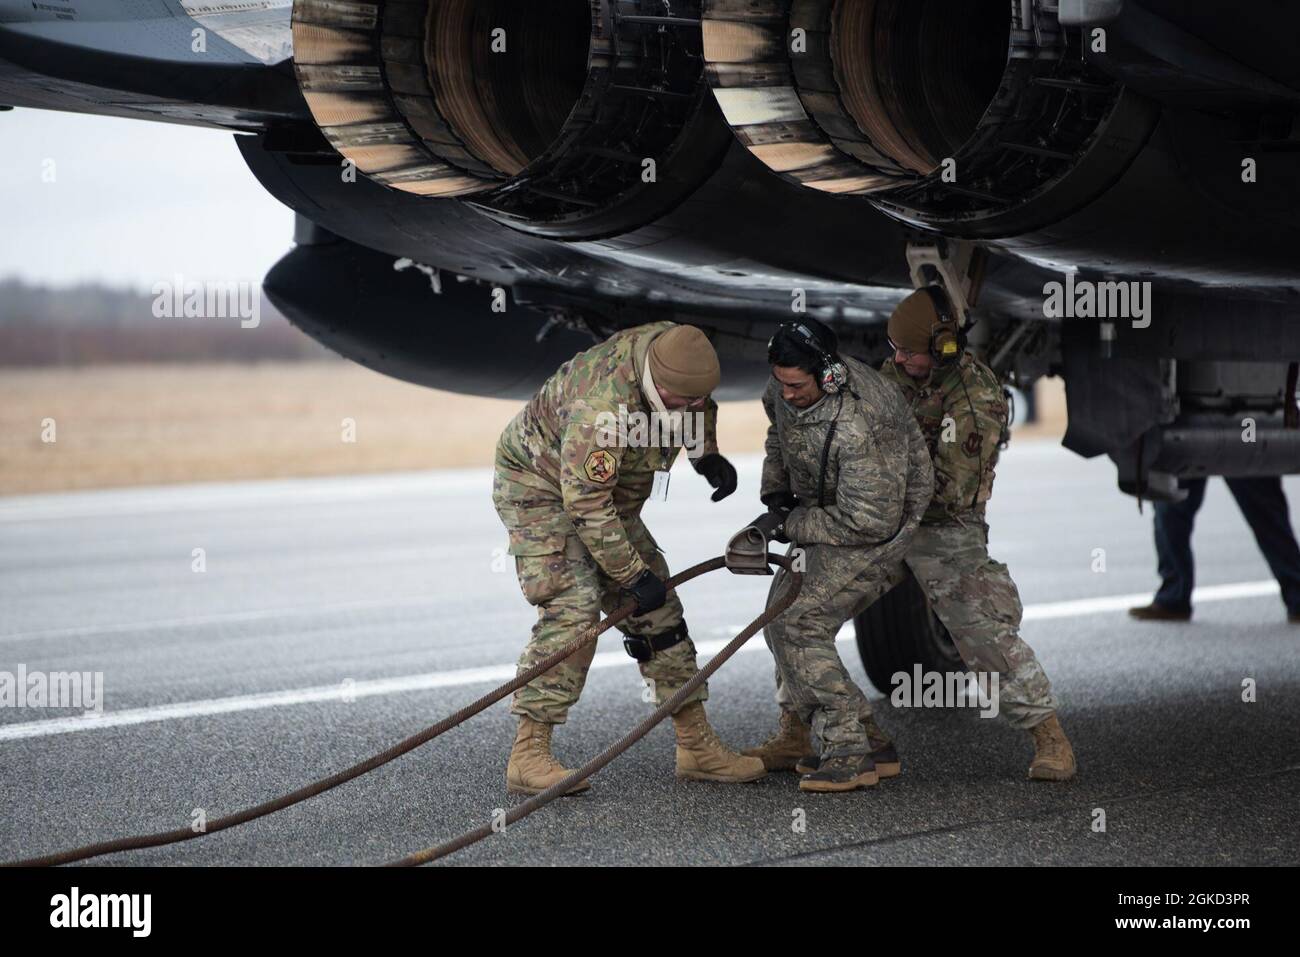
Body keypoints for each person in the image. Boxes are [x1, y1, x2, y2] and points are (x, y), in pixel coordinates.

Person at [492, 321, 765, 795]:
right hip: (542, 488)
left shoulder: (680, 358)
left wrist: (705, 456)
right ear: (655, 386)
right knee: (574, 609)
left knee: (661, 611)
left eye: (695, 402)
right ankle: (528, 754)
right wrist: (631, 575)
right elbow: (585, 505)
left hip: (605, 496)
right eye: (678, 403)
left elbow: (697, 403)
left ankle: (696, 745)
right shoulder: (603, 407)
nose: (690, 409)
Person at [877, 287, 1075, 780]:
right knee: (799, 604)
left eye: (909, 352)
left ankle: (1049, 737)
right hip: (883, 518)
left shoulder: (976, 397)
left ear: (944, 346)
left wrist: (874, 484)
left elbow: (950, 491)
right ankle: (800, 724)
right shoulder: (896, 371)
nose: (899, 360)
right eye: (894, 350)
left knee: (983, 628)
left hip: (945, 527)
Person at [741, 318, 934, 792]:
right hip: (827, 513)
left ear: (828, 374)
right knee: (779, 617)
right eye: (781, 382)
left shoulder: (863, 421)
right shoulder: (785, 386)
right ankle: (869, 741)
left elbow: (871, 520)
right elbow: (777, 432)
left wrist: (788, 525)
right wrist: (776, 496)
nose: (786, 393)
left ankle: (849, 753)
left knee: (798, 624)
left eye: (797, 385)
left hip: (877, 530)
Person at [1129, 477, 1300, 623]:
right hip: (1191, 441)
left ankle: (1298, 596)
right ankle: (1173, 598)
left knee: (1265, 510)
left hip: (1242, 440)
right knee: (1169, 512)